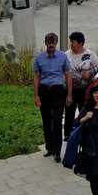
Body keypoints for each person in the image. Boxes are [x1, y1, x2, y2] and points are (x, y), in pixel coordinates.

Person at [33, 32, 72, 161]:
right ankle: (49, 147)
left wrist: (69, 95)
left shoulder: (62, 57)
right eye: (49, 43)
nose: (51, 46)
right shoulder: (39, 58)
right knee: (46, 120)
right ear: (45, 43)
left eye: (53, 43)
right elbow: (36, 77)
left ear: (56, 43)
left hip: (58, 91)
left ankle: (57, 150)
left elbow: (67, 75)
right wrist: (36, 95)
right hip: (44, 90)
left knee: (57, 120)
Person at [64, 31, 98, 140]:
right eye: (70, 42)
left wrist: (90, 73)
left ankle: (83, 130)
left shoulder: (90, 55)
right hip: (70, 89)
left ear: (80, 43)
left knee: (83, 110)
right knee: (69, 111)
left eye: (73, 42)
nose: (71, 44)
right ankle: (68, 133)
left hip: (85, 89)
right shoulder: (66, 54)